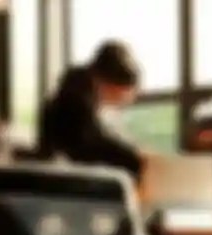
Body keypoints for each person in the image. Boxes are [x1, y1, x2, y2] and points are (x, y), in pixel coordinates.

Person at [38, 41, 143, 179]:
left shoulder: (74, 93)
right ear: (117, 87)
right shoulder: (74, 102)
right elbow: (90, 147)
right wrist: (136, 159)